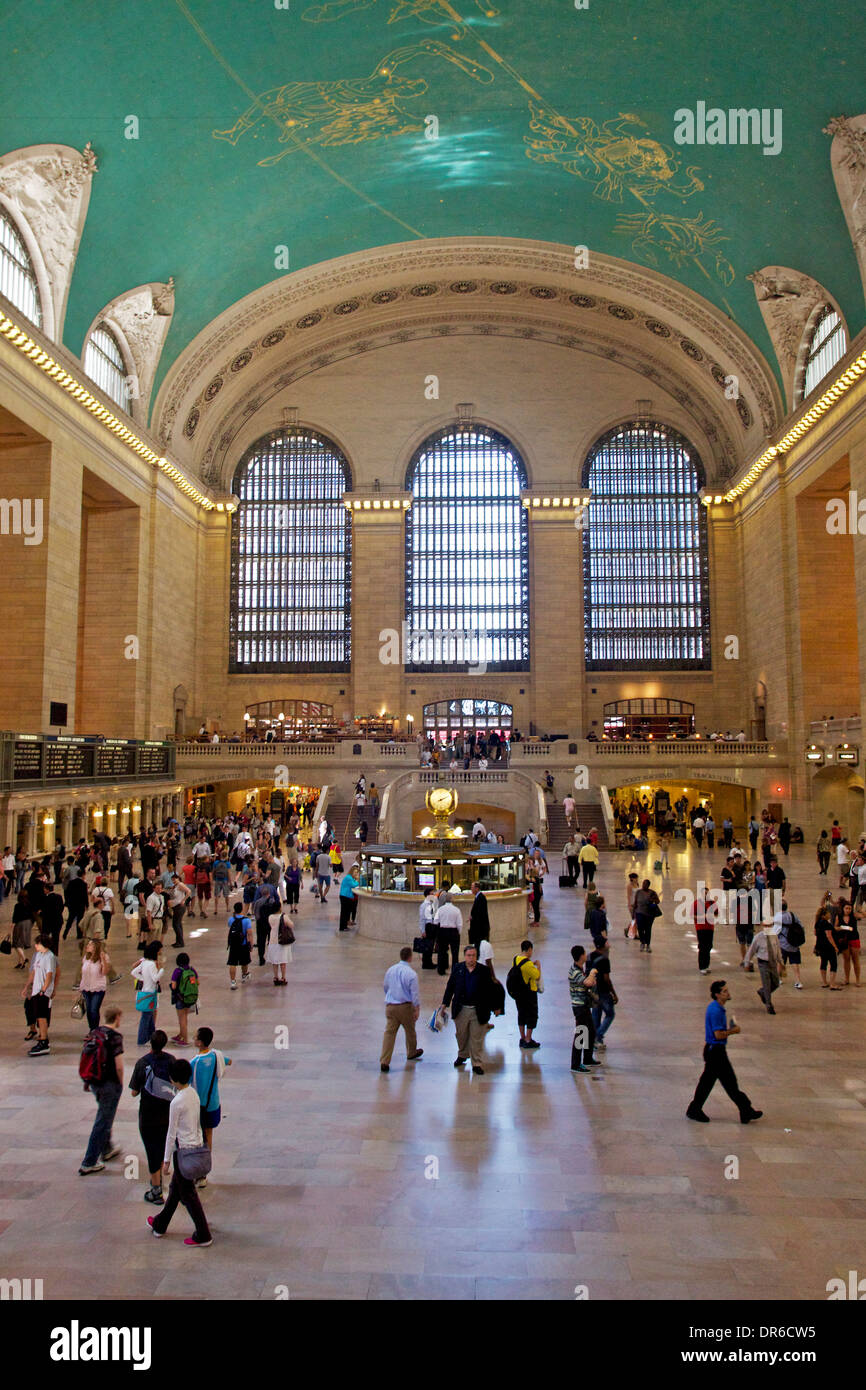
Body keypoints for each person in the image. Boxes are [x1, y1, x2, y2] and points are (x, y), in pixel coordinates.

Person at [147, 1058, 213, 1247]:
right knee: (176, 1190)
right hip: (196, 1148)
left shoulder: (176, 1102)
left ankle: (203, 1234)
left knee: (189, 1195)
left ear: (172, 1079)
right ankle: (160, 1224)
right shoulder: (194, 1094)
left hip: (183, 1153)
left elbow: (171, 1133)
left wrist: (166, 1160)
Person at [686, 981, 763, 1124]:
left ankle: (695, 1109)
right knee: (727, 1083)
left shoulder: (717, 1008)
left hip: (714, 1051)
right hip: (716, 1052)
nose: (728, 993)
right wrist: (733, 1031)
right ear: (717, 995)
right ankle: (745, 1110)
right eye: (724, 991)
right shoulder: (715, 1011)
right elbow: (718, 1035)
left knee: (711, 1082)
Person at [128, 1029, 177, 1204]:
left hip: (148, 1114)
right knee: (162, 1145)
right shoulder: (171, 1061)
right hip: (166, 1113)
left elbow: (134, 1092)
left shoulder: (142, 1063)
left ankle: (156, 1189)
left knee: (151, 1149)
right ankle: (161, 1179)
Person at [79, 1003, 125, 1174]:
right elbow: (119, 1065)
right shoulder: (115, 1037)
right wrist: (120, 1082)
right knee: (103, 1120)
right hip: (109, 1082)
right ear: (117, 1017)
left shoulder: (95, 1033)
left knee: (105, 1114)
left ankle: (107, 1148)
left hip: (94, 1081)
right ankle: (89, 1161)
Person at [442, 944, 494, 1075]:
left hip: (478, 1009)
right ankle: (463, 1054)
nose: (471, 958)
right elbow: (450, 986)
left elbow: (490, 991)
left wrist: (494, 1007)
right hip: (461, 1009)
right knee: (461, 1035)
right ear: (464, 956)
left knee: (477, 1038)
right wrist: (444, 1004)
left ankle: (476, 1063)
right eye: (469, 955)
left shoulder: (484, 971)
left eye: (473, 956)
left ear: (476, 957)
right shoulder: (458, 968)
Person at [190, 1026, 232, 1175]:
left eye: (195, 1037)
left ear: (200, 1043)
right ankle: (205, 1169)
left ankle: (198, 1168)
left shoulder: (194, 1062)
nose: (193, 1039)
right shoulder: (216, 1055)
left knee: (198, 1136)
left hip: (198, 1106)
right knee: (209, 1134)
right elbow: (229, 1061)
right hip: (213, 1103)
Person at [379, 946, 424, 1072]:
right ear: (410, 957)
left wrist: (391, 997)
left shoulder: (390, 970)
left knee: (389, 1033)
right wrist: (417, 1009)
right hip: (405, 1006)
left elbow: (385, 986)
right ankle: (411, 1052)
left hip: (391, 1006)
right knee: (410, 1030)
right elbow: (414, 994)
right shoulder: (411, 974)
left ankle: (384, 1060)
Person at [22, 935, 57, 1056]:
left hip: (43, 992)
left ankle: (44, 1041)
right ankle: (42, 1038)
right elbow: (34, 972)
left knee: (42, 1016)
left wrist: (44, 989)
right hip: (36, 990)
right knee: (38, 1015)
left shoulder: (50, 957)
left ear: (43, 944)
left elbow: (49, 974)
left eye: (37, 944)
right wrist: (27, 986)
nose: (35, 946)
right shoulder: (38, 955)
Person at [568, 945, 600, 1071]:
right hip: (579, 1007)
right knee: (581, 1034)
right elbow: (588, 982)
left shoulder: (579, 968)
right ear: (581, 956)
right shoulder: (575, 971)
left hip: (584, 1006)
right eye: (584, 953)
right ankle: (575, 1064)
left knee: (590, 1032)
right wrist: (592, 973)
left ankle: (587, 1058)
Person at [744, 918, 782, 1014]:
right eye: (765, 926)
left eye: (769, 926)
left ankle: (762, 992)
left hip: (772, 962)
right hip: (763, 963)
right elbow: (751, 951)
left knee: (776, 983)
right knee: (767, 984)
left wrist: (780, 961)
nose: (767, 928)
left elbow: (777, 949)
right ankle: (769, 1005)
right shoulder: (758, 938)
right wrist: (747, 962)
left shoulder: (774, 936)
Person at [131, 941, 164, 1046]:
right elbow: (155, 978)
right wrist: (162, 970)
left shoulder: (144, 963)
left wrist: (143, 979)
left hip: (145, 990)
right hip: (150, 993)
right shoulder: (152, 965)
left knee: (148, 1017)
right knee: (146, 1017)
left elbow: (133, 972)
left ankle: (151, 1036)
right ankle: (141, 1039)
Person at [511, 940, 542, 1049]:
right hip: (529, 993)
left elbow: (522, 968)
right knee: (532, 1015)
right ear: (529, 949)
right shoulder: (528, 964)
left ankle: (523, 1038)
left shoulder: (516, 959)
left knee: (521, 1014)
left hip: (518, 993)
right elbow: (537, 976)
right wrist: (538, 966)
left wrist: (531, 963)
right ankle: (528, 1039)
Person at [588, 939, 617, 1047]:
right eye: (606, 943)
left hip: (593, 991)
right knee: (610, 1014)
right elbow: (606, 979)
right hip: (603, 991)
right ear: (602, 946)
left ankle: (596, 1041)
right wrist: (613, 993)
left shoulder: (589, 957)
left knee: (596, 1015)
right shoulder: (604, 960)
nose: (608, 945)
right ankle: (598, 1036)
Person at [79, 938, 110, 1030]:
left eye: (90, 945)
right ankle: (91, 1029)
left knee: (94, 1009)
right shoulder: (86, 957)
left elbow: (104, 972)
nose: (87, 946)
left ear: (95, 947)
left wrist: (103, 960)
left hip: (98, 988)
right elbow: (83, 973)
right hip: (86, 987)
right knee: (88, 1010)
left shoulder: (103, 957)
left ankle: (95, 1030)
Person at [169, 952, 199, 1044]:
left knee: (181, 1018)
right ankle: (181, 1035)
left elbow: (174, 986)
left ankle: (185, 1040)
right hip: (189, 997)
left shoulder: (177, 971)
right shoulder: (192, 970)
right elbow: (197, 983)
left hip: (180, 998)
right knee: (184, 1017)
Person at [776, 901, 806, 989]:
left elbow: (776, 931)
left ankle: (778, 979)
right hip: (794, 944)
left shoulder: (778, 917)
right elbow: (801, 926)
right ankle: (798, 981)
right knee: (795, 963)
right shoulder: (792, 915)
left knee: (781, 962)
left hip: (783, 944)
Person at [434, 891, 462, 977]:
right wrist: (458, 932)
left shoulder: (440, 909)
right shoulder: (456, 910)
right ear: (452, 899)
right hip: (453, 932)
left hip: (442, 931)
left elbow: (435, 921)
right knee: (455, 952)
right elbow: (459, 924)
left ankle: (441, 970)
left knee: (441, 951)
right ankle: (455, 970)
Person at [266, 900, 293, 984]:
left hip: (272, 941)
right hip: (282, 941)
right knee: (283, 961)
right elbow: (291, 925)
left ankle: (275, 977)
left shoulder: (270, 917)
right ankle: (283, 978)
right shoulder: (284, 917)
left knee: (275, 961)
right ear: (280, 907)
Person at [227, 903, 253, 990]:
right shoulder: (246, 920)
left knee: (232, 963)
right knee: (244, 961)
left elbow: (230, 927)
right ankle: (244, 975)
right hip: (243, 944)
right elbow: (249, 934)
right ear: (242, 909)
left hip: (233, 944)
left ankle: (233, 982)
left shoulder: (231, 919)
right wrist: (251, 944)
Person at [814, 904, 842, 988]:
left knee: (823, 963)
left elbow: (815, 933)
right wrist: (835, 947)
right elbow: (829, 936)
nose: (830, 915)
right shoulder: (827, 924)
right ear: (824, 915)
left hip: (820, 946)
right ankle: (832, 984)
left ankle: (824, 982)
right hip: (828, 947)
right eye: (828, 913)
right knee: (833, 964)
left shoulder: (817, 923)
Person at [694, 887, 716, 974]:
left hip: (710, 927)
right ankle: (702, 966)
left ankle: (707, 965)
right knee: (703, 946)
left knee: (709, 946)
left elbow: (716, 913)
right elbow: (692, 916)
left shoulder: (712, 903)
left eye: (707, 893)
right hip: (700, 928)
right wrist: (701, 917)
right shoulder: (696, 903)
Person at [468, 881, 490, 950]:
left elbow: (481, 914)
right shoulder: (478, 897)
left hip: (480, 928)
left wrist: (473, 917)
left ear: (477, 888)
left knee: (479, 947)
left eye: (472, 887)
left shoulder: (481, 898)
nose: (471, 889)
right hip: (477, 928)